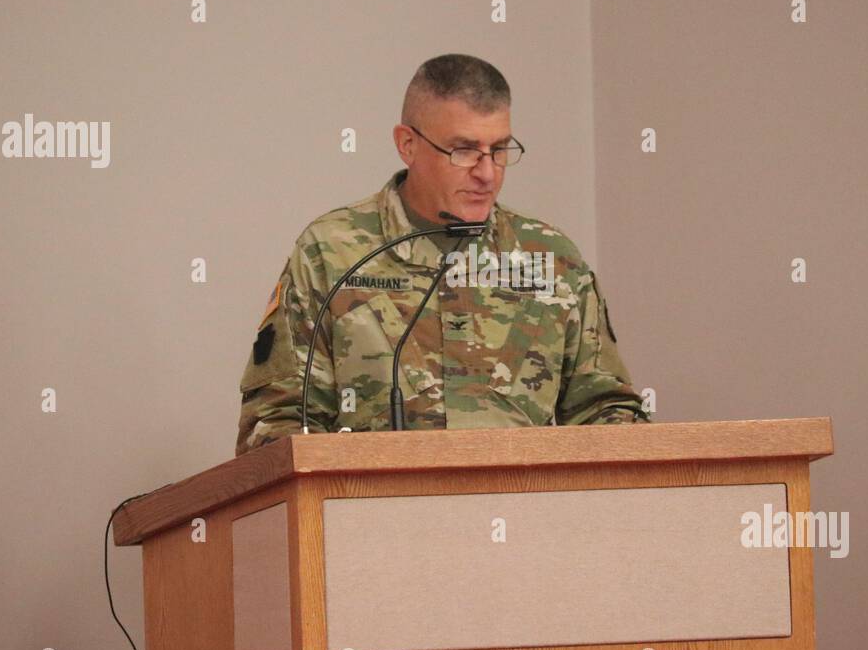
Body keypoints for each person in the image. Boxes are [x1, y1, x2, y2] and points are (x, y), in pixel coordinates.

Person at [235, 53, 647, 456]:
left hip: (526, 512)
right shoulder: (332, 253)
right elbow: (276, 425)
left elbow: (606, 411)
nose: (487, 173)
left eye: (500, 150)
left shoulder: (551, 259)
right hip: (371, 515)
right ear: (407, 145)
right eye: (464, 151)